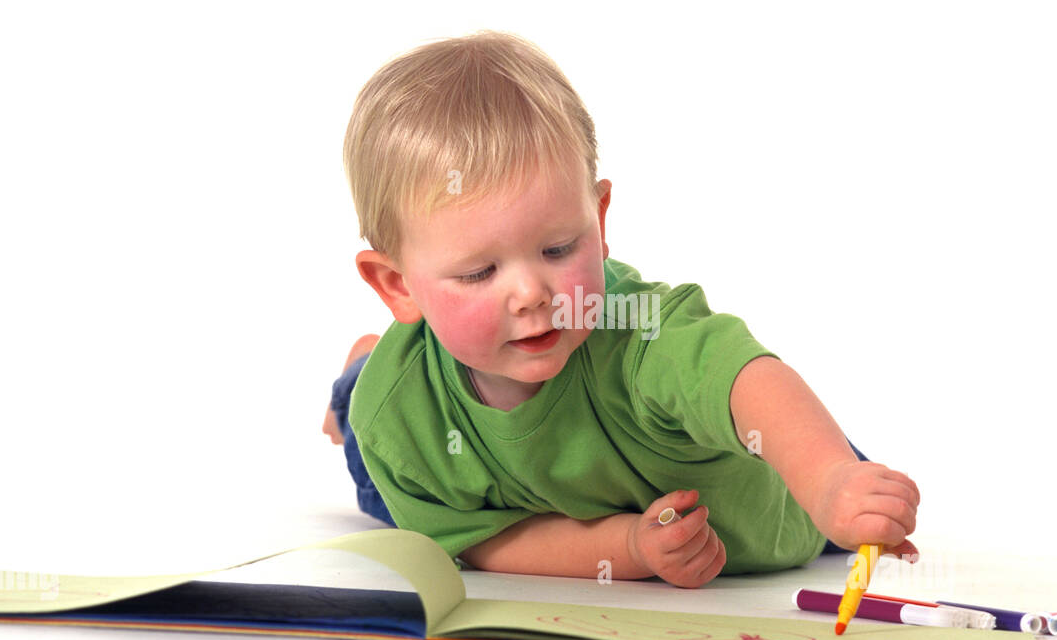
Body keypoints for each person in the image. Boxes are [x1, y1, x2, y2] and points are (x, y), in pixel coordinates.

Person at [323, 31, 919, 588]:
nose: (533, 294)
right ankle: (358, 376)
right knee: (383, 490)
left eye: (559, 249)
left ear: (600, 221)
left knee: (835, 471)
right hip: (473, 476)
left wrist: (831, 481)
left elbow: (745, 381)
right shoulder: (399, 419)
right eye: (480, 272)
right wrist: (630, 550)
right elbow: (484, 540)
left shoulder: (637, 329)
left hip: (764, 489)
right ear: (397, 284)